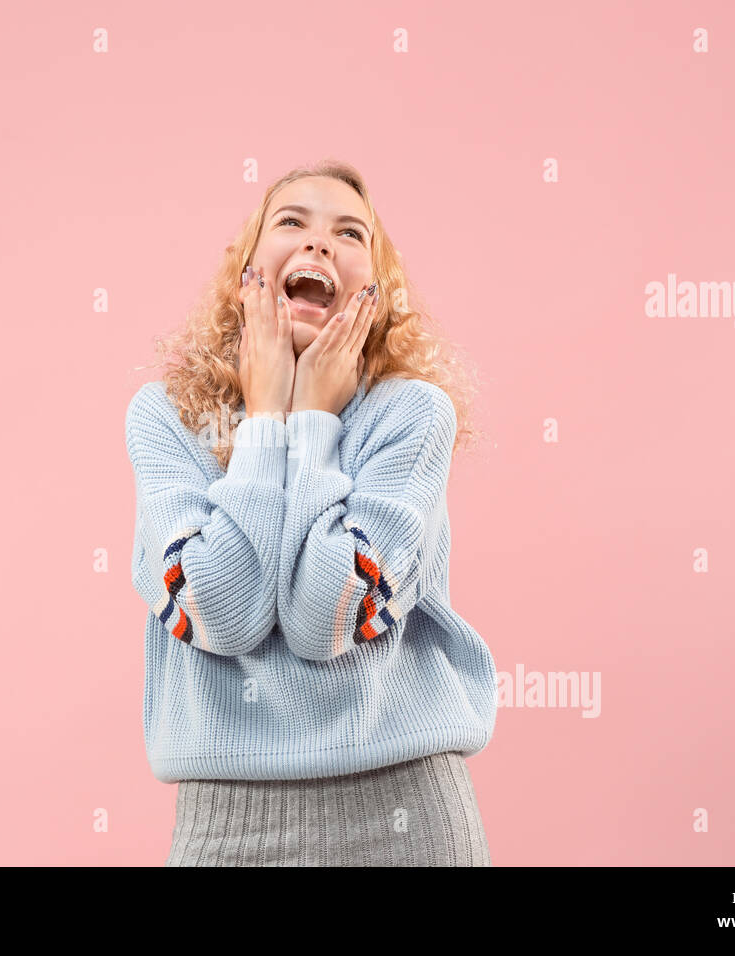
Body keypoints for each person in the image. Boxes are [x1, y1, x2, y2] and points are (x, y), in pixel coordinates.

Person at [125, 160, 497, 866]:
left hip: (407, 816)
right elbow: (221, 612)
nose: (319, 243)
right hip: (224, 823)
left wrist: (313, 426)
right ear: (245, 271)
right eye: (291, 222)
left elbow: (326, 619)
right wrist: (268, 419)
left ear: (377, 296)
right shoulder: (169, 418)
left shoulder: (410, 415)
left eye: (349, 233)